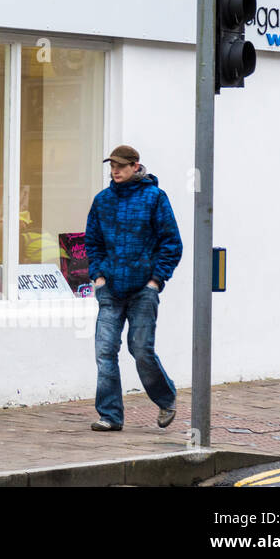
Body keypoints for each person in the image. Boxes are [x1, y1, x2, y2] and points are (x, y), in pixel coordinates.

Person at [84, 144, 182, 432]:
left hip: (143, 291)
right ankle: (110, 415)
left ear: (135, 166)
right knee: (104, 352)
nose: (115, 171)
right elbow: (93, 242)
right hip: (110, 289)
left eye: (121, 166)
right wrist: (98, 276)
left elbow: (171, 243)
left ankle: (166, 398)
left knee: (140, 350)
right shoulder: (102, 201)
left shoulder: (155, 198)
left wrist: (156, 281)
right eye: (112, 166)